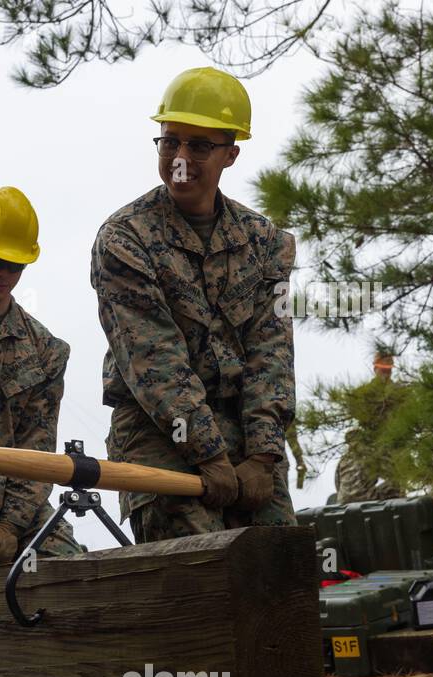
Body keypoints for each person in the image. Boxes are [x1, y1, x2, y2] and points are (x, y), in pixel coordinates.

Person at [93, 67, 298, 544]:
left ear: (231, 154)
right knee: (196, 572)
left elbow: (272, 349)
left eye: (199, 146)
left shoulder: (266, 243)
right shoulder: (125, 239)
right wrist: (208, 454)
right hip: (162, 435)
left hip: (247, 439)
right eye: (169, 143)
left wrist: (264, 455)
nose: (181, 159)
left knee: (278, 567)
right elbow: (154, 360)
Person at [0, 186, 85, 566]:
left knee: (73, 571)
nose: (1, 273)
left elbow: (37, 448)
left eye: (14, 265)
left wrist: (10, 528)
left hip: (18, 511)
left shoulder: (46, 351)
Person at [335, 352, 403, 503]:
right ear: (375, 368)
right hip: (371, 443)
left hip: (391, 444)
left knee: (397, 487)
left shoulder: (399, 392)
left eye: (388, 370)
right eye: (382, 369)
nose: (385, 373)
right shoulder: (362, 394)